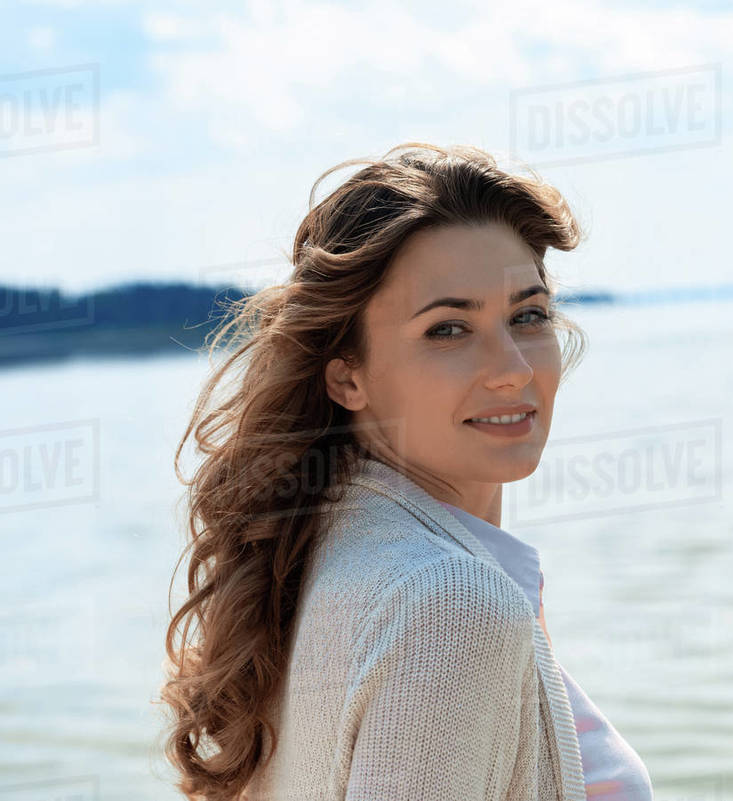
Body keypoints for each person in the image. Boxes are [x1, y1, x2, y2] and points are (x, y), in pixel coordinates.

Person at [159, 142, 654, 800]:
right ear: (348, 374)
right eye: (448, 329)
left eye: (528, 315)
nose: (511, 367)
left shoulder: (327, 553)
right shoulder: (451, 603)